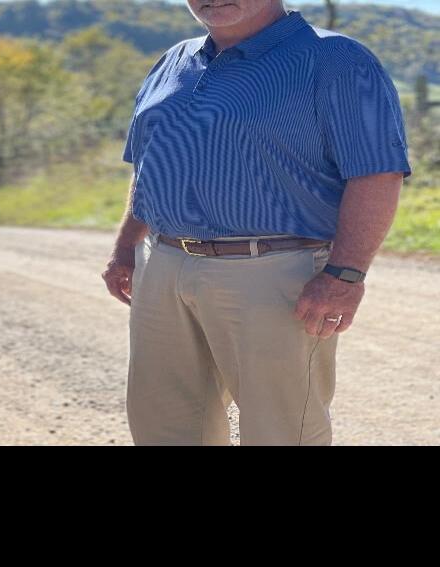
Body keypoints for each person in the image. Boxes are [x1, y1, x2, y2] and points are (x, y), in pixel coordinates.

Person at [102, 0, 411, 445]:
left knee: (281, 431)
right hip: (163, 266)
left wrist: (346, 274)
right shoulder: (173, 61)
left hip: (275, 271)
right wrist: (124, 249)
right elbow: (150, 165)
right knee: (164, 427)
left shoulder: (337, 59)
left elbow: (377, 172)